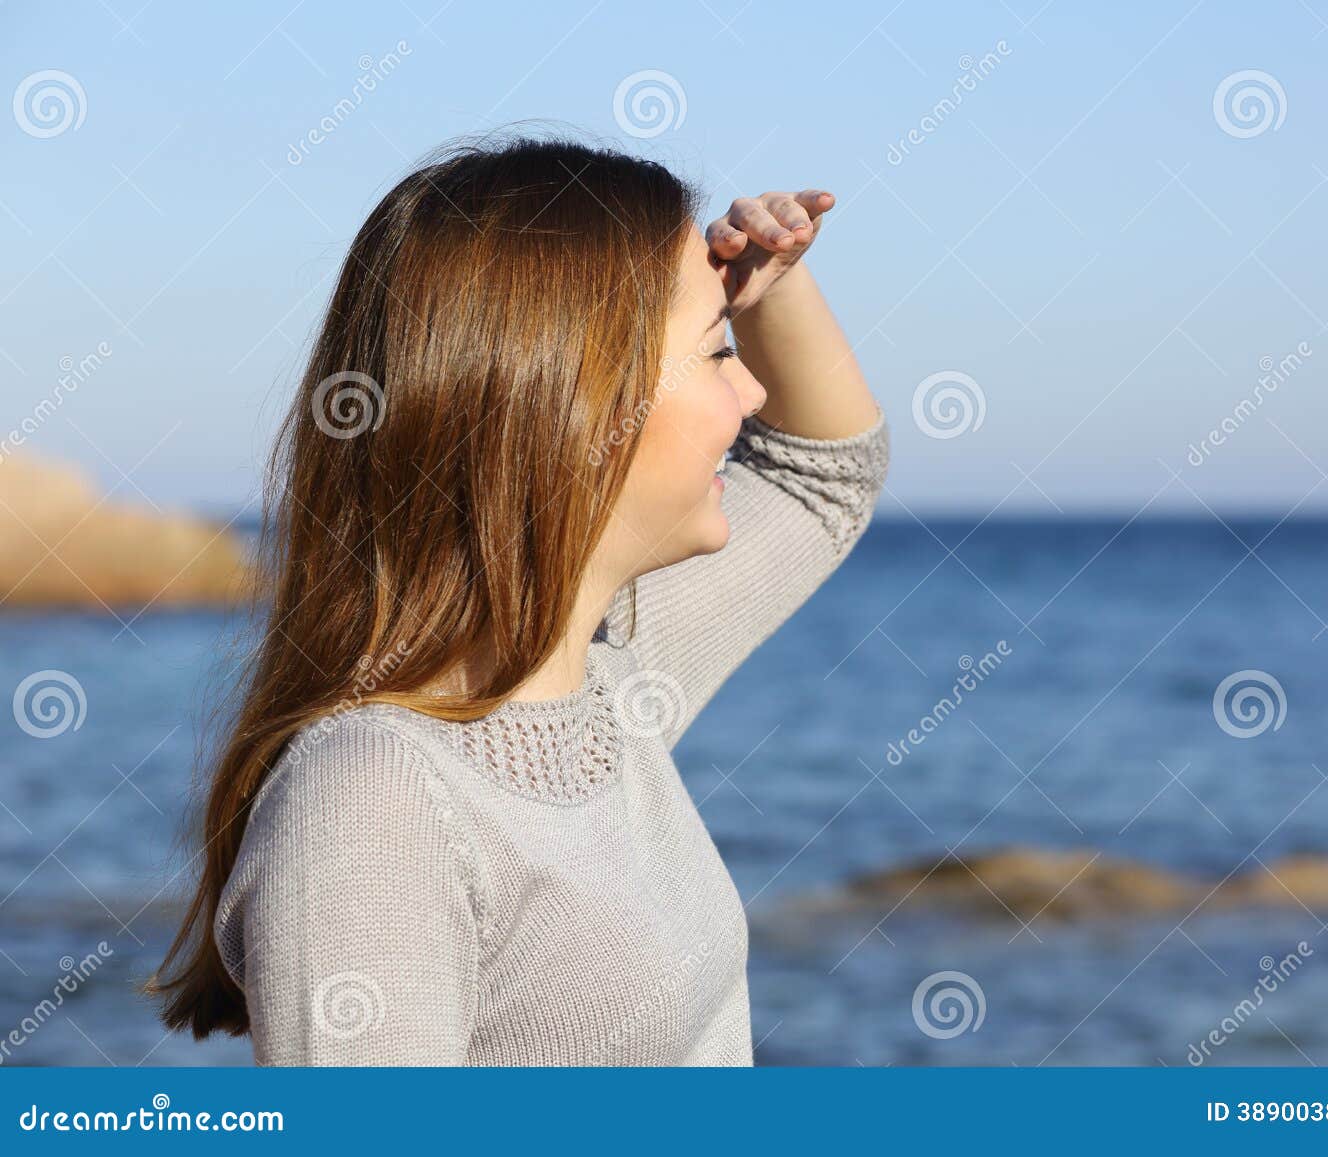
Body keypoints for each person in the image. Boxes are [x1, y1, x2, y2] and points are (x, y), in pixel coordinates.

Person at [143, 130, 890, 1065]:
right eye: (715, 353)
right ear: (571, 405)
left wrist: (767, 288)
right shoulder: (375, 802)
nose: (750, 388)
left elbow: (827, 475)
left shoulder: (610, 684)